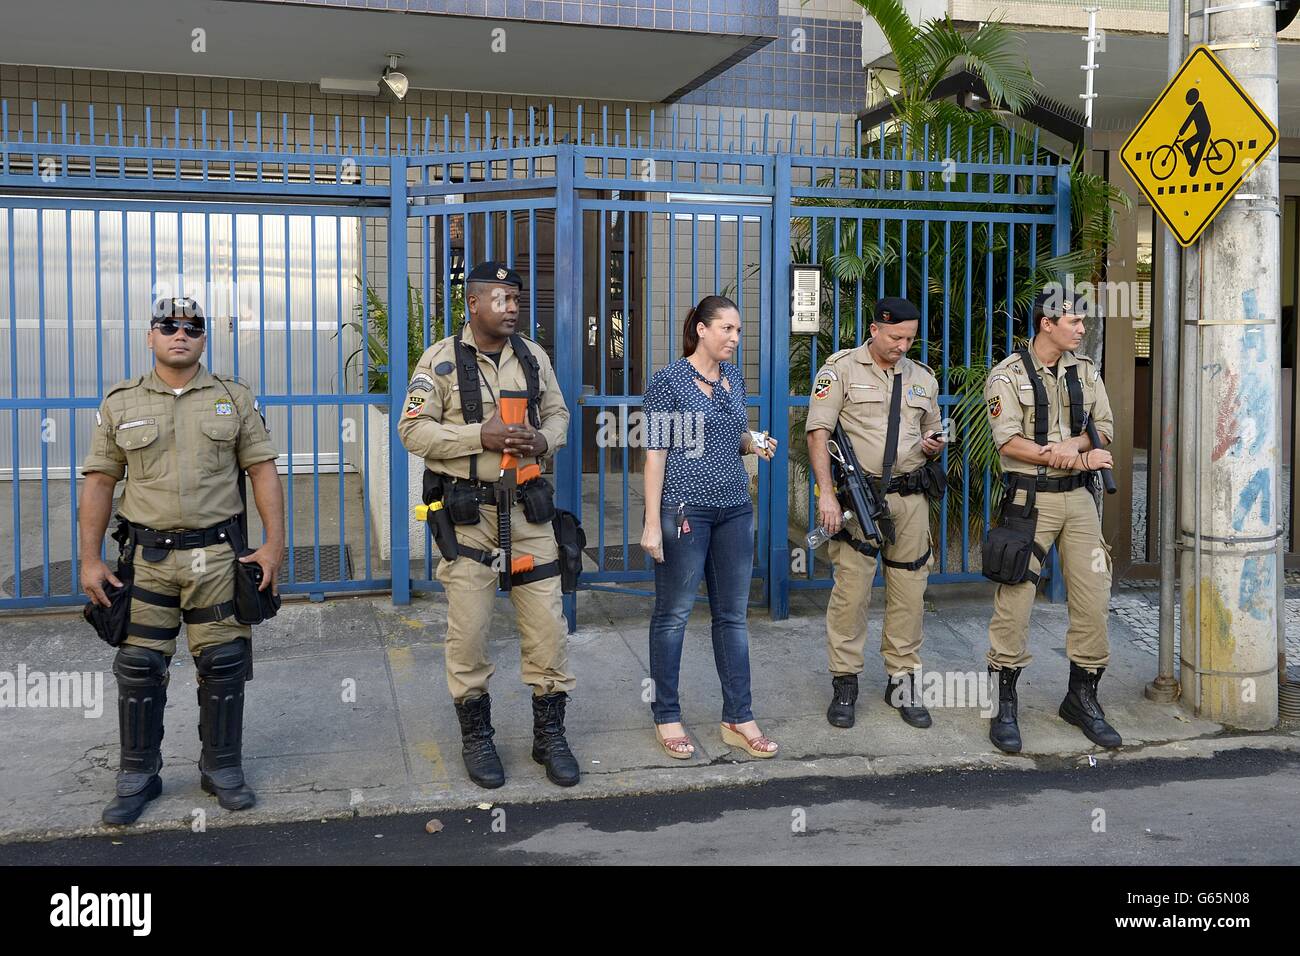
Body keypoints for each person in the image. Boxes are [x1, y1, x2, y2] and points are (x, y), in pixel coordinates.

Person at [79, 297, 284, 825]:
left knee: (223, 664)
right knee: (141, 666)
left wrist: (274, 545)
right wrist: (89, 559)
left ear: (203, 339)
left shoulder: (233, 398)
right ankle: (138, 774)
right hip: (146, 559)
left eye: (193, 328)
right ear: (151, 336)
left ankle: (221, 769)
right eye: (168, 326)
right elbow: (100, 481)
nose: (180, 334)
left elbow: (262, 471)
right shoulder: (120, 402)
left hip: (215, 557)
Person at [398, 261, 580, 789]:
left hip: (529, 514)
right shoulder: (440, 362)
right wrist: (484, 436)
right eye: (499, 298)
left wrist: (544, 441)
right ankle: (477, 737)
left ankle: (549, 736)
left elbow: (560, 415)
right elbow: (413, 431)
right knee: (470, 634)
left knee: (548, 631)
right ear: (473, 304)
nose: (511, 307)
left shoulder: (533, 356)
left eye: (515, 298)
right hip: (468, 519)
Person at [639, 295, 779, 760]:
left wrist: (753, 441)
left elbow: (727, 434)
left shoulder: (733, 377)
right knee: (675, 614)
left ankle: (738, 716)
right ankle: (667, 715)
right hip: (684, 511)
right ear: (701, 329)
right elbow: (656, 452)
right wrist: (651, 525)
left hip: (735, 509)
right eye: (727, 329)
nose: (735, 339)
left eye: (739, 331)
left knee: (733, 617)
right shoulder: (669, 382)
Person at [982, 290, 1121, 753]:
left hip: (1079, 501)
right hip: (1029, 499)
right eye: (1075, 321)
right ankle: (1004, 703)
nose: (1082, 330)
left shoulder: (1086, 371)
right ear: (1047, 323)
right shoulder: (1006, 374)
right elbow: (1008, 442)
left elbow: (1104, 428)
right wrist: (1063, 456)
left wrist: (1073, 450)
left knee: (1093, 596)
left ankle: (1081, 698)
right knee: (1016, 598)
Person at [805, 297, 945, 730]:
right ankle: (845, 682)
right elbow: (818, 433)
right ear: (874, 329)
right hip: (857, 500)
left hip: (910, 499)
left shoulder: (922, 378)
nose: (903, 345)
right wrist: (827, 496)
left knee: (909, 591)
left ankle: (901, 680)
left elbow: (933, 427)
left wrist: (934, 441)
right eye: (895, 337)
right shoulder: (841, 370)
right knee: (852, 592)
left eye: (909, 338)